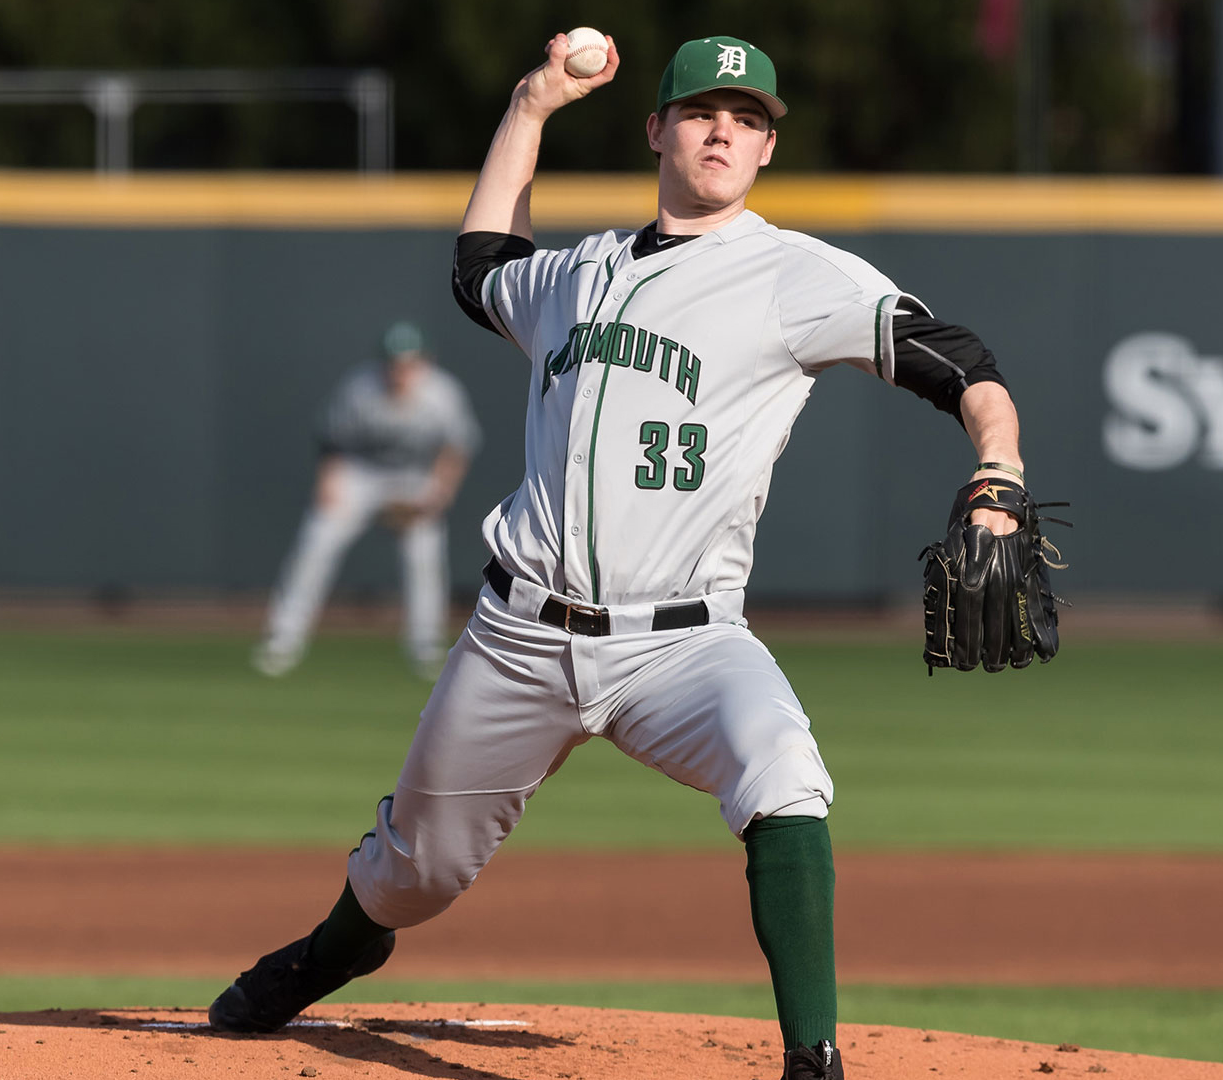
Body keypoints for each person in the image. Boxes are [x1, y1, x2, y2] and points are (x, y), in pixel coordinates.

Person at [209, 34, 1030, 1080]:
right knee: (413, 880)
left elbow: (961, 362)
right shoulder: (577, 275)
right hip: (518, 636)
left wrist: (997, 469)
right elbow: (480, 268)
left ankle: (813, 1060)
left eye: (750, 118)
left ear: (770, 146)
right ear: (657, 129)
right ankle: (326, 953)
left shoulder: (796, 276)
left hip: (683, 647)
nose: (725, 129)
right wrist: (530, 104)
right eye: (702, 111)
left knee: (784, 770)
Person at [252, 322, 479, 678]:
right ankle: (283, 639)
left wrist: (438, 494)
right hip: (361, 474)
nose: (400, 371)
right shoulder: (360, 388)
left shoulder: (442, 393)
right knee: (317, 543)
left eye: (409, 363)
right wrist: (329, 485)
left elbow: (456, 448)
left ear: (425, 362)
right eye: (394, 362)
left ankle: (426, 647)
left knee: (424, 558)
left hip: (414, 478)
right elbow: (333, 441)